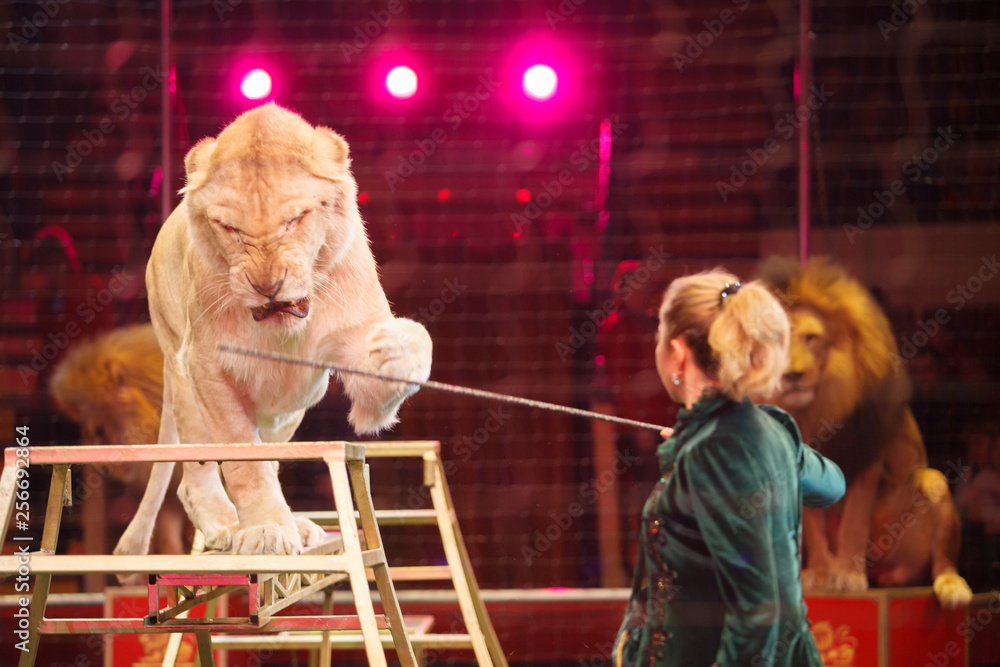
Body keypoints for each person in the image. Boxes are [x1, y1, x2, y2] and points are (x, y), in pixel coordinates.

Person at [612, 269, 846, 667]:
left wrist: (705, 454)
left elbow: (758, 612)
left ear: (678, 353)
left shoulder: (717, 450)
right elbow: (833, 484)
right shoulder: (769, 430)